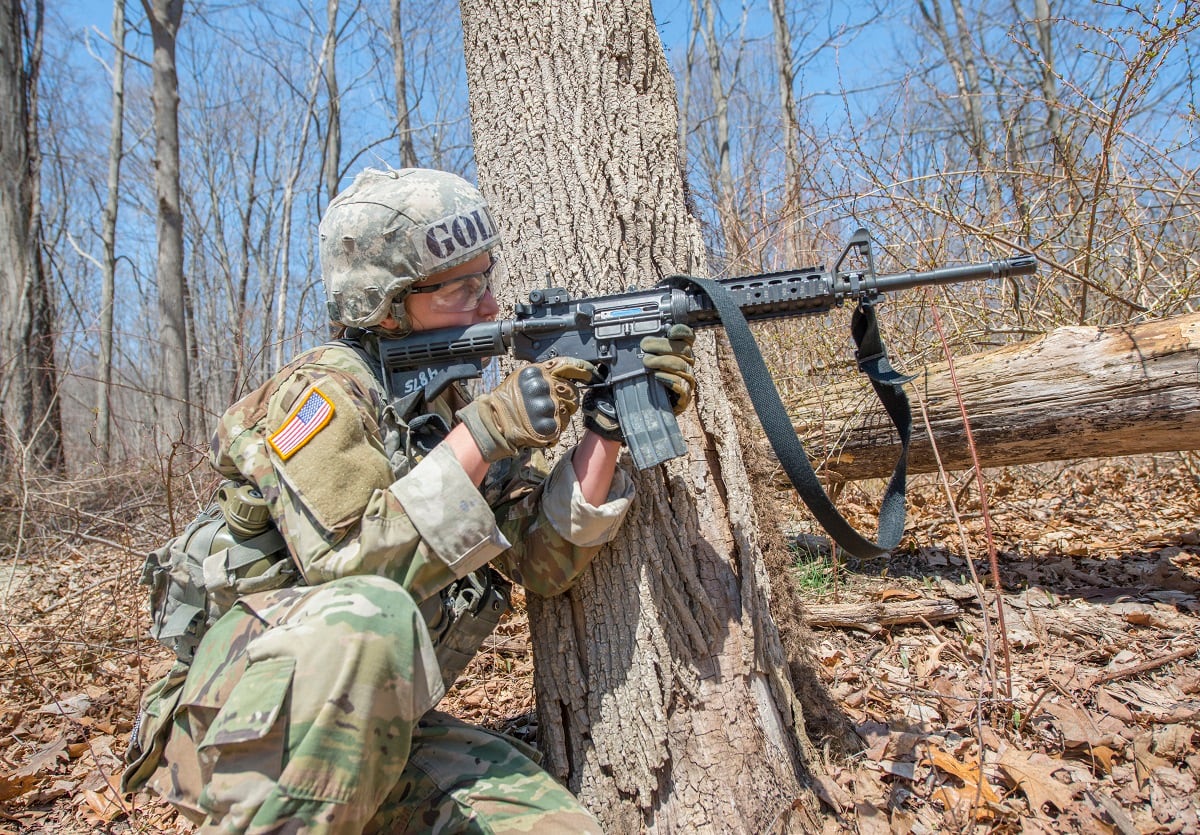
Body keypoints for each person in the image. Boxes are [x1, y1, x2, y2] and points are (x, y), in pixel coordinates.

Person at [122, 167, 696, 833]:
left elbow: (543, 563)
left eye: (487, 278)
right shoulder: (323, 396)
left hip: (377, 738)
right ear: (387, 304)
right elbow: (353, 571)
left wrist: (607, 425)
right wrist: (485, 433)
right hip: (234, 731)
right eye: (462, 288)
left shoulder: (443, 411)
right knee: (374, 610)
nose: (488, 306)